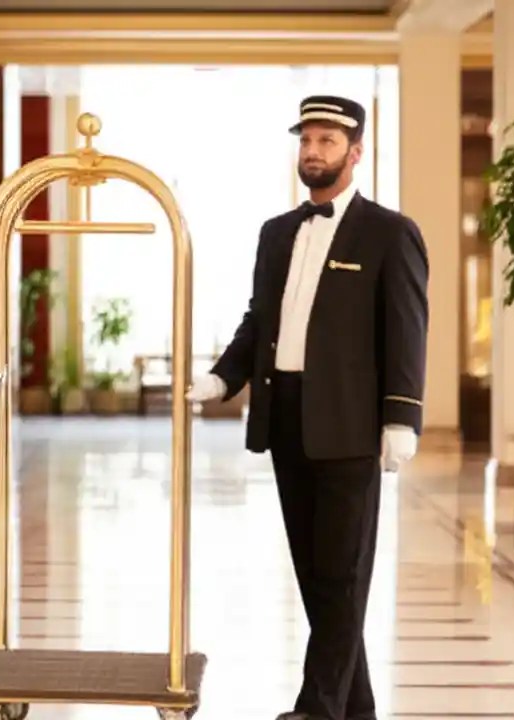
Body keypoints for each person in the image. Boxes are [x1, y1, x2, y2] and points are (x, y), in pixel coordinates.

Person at [187, 95, 428, 720]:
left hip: (350, 426)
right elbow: (258, 322)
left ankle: (316, 709)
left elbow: (407, 331)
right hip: (285, 419)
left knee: (343, 576)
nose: (313, 151)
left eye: (327, 141)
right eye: (306, 140)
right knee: (320, 579)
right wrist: (221, 379)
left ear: (356, 152)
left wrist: (402, 417)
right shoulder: (276, 234)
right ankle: (357, 709)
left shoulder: (389, 233)